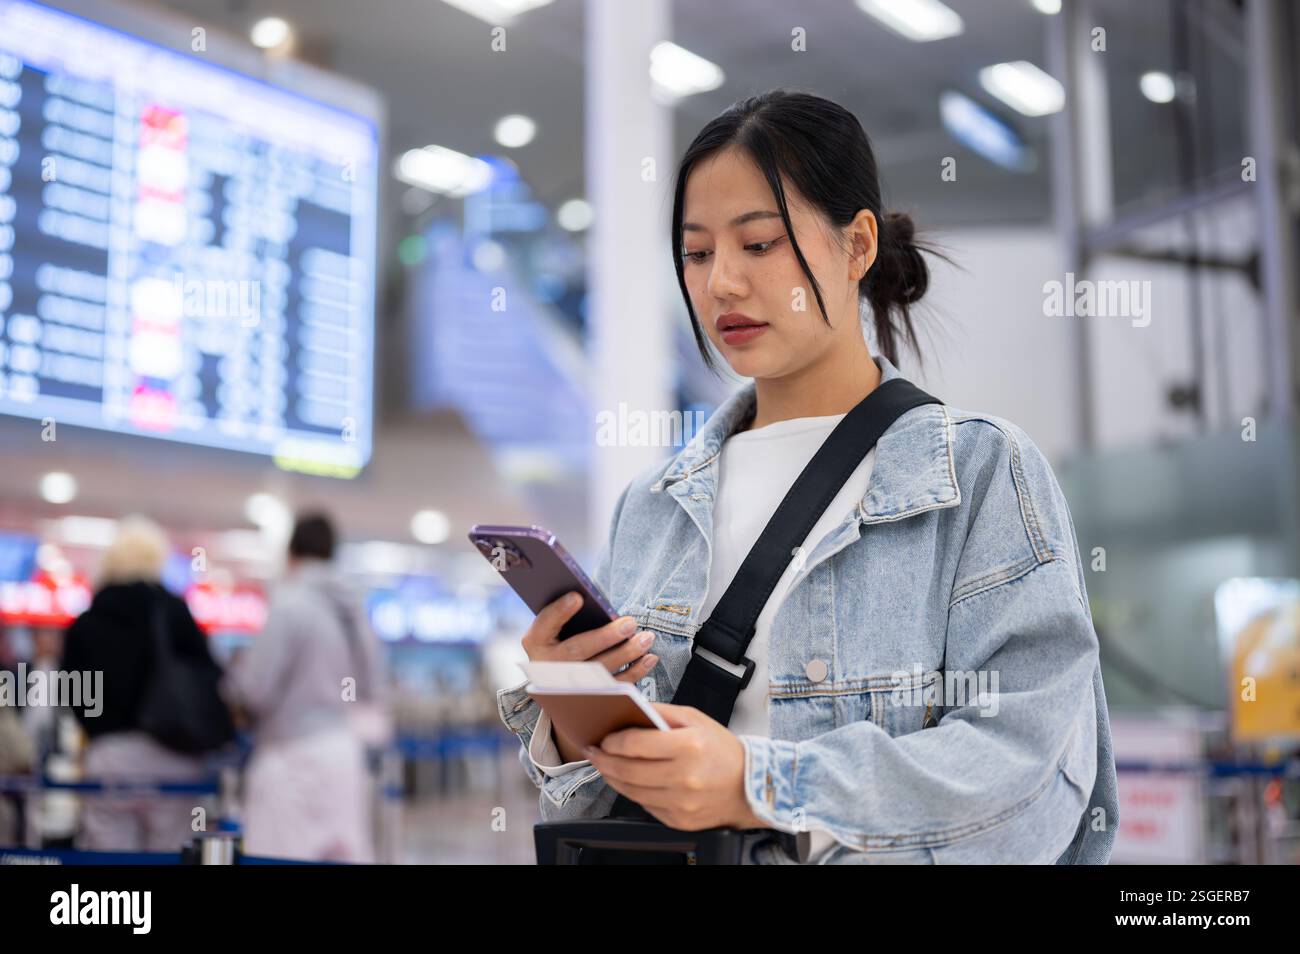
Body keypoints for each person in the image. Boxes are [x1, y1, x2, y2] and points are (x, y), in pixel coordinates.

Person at [497, 88, 1119, 864]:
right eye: (696, 253)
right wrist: (572, 713)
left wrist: (763, 783)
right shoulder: (650, 507)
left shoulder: (979, 475)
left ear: (857, 246)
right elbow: (610, 802)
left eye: (759, 244)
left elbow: (1030, 773)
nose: (722, 281)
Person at [224, 511, 387, 863]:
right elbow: (374, 685)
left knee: (278, 858)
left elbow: (255, 691)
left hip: (290, 754)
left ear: (290, 552)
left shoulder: (289, 604)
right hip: (343, 753)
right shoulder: (353, 609)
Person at [61, 516, 225, 853]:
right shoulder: (176, 613)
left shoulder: (87, 623)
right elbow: (210, 678)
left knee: (108, 862)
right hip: (173, 756)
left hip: (109, 758)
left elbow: (73, 694)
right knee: (169, 855)